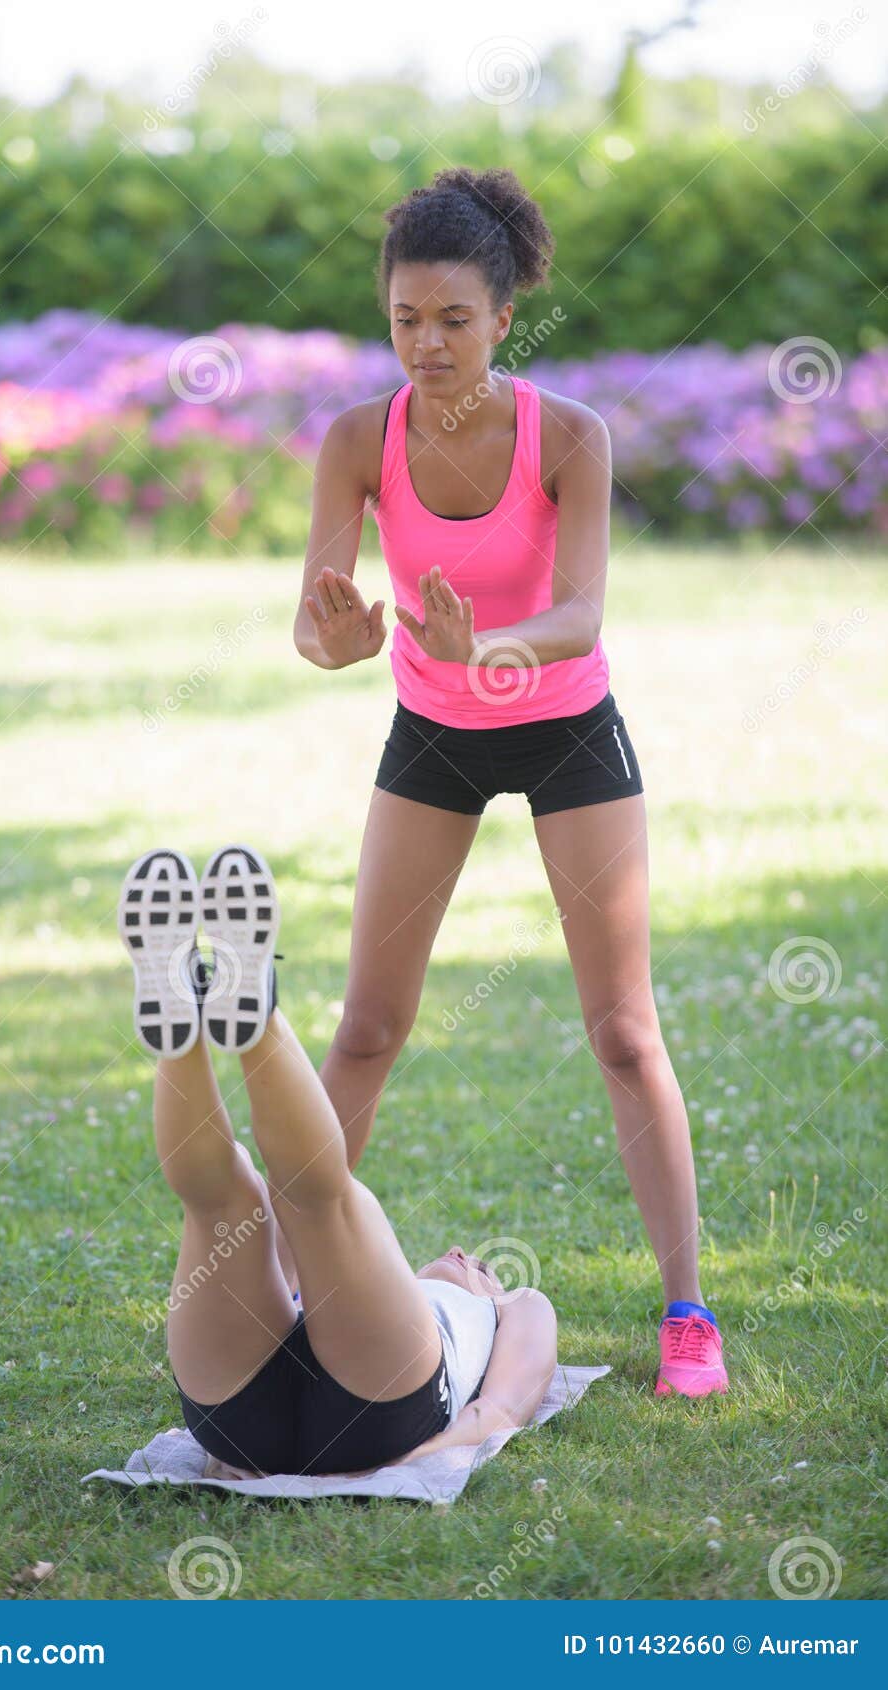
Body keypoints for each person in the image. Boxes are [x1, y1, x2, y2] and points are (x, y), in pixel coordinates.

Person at [292, 164, 727, 1399]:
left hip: (563, 727)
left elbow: (583, 610)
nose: (425, 345)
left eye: (452, 321)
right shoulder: (352, 442)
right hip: (430, 734)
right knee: (368, 1027)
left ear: (500, 317)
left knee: (622, 1029)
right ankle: (284, 1285)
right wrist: (349, 637)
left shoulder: (569, 436)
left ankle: (686, 1311)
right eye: (402, 320)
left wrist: (485, 646)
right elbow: (317, 629)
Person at [118, 843, 557, 1478]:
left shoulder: (519, 1306)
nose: (466, 1257)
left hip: (359, 1416)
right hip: (250, 1419)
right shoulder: (378, 1295)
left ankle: (239, 1008)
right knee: (238, 1203)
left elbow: (502, 1409)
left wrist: (409, 1461)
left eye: (483, 1267)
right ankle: (195, 1017)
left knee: (315, 1201)